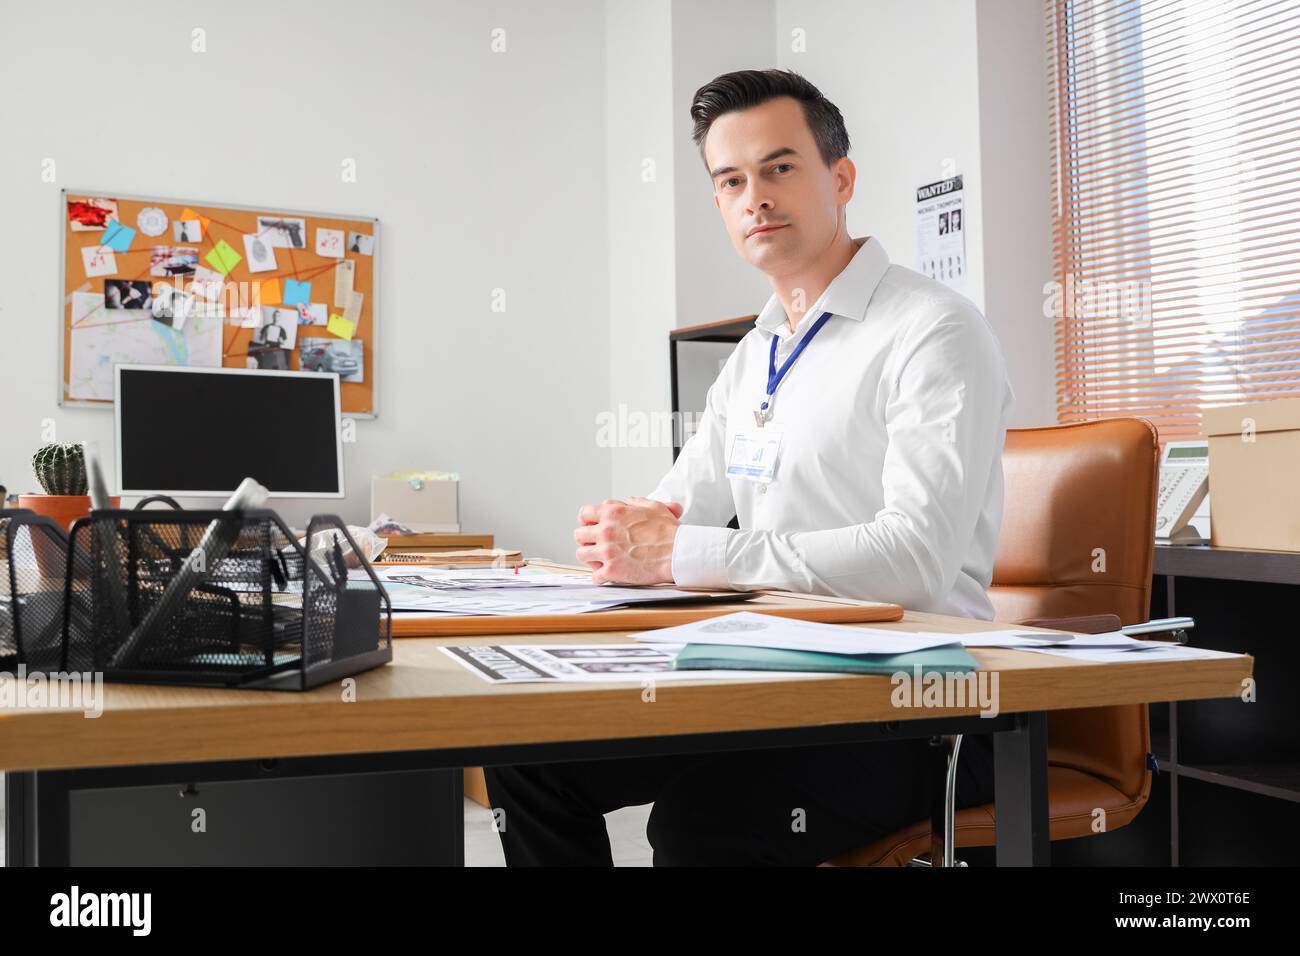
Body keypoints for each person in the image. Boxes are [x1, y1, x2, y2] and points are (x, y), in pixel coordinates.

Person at [485, 69, 1014, 866]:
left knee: (705, 824)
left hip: (910, 705)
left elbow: (914, 560)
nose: (754, 196)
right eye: (731, 180)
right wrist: (620, 534)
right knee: (532, 755)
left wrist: (684, 552)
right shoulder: (758, 353)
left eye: (779, 168)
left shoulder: (933, 330)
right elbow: (674, 510)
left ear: (840, 179)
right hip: (772, 674)